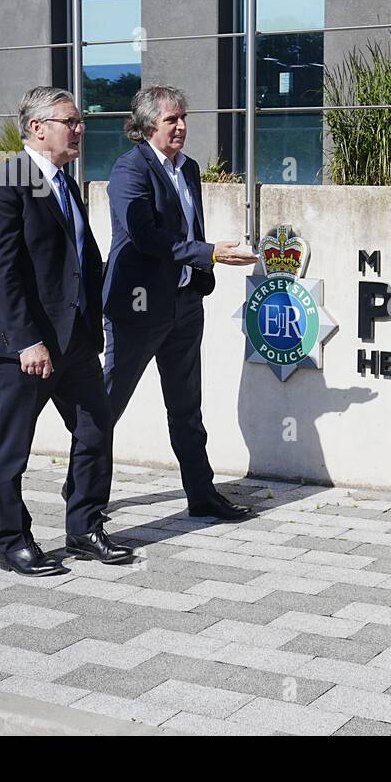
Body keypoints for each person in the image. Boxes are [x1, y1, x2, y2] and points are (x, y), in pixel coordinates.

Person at [0, 86, 133, 575]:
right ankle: (13, 542)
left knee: (95, 430)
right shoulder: (3, 183)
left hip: (74, 342)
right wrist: (27, 340)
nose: (80, 129)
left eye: (79, 122)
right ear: (38, 128)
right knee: (13, 448)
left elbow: (81, 263)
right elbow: (0, 274)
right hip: (22, 346)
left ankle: (84, 528)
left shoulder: (67, 184)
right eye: (71, 122)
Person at [102, 85, 258, 521]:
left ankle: (201, 494)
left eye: (184, 117)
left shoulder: (187, 168)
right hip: (138, 306)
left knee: (187, 407)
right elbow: (145, 237)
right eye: (172, 119)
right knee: (107, 405)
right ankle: (84, 495)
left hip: (186, 303)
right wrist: (209, 253)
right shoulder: (129, 171)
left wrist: (200, 272)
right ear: (149, 124)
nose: (182, 126)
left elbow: (188, 225)